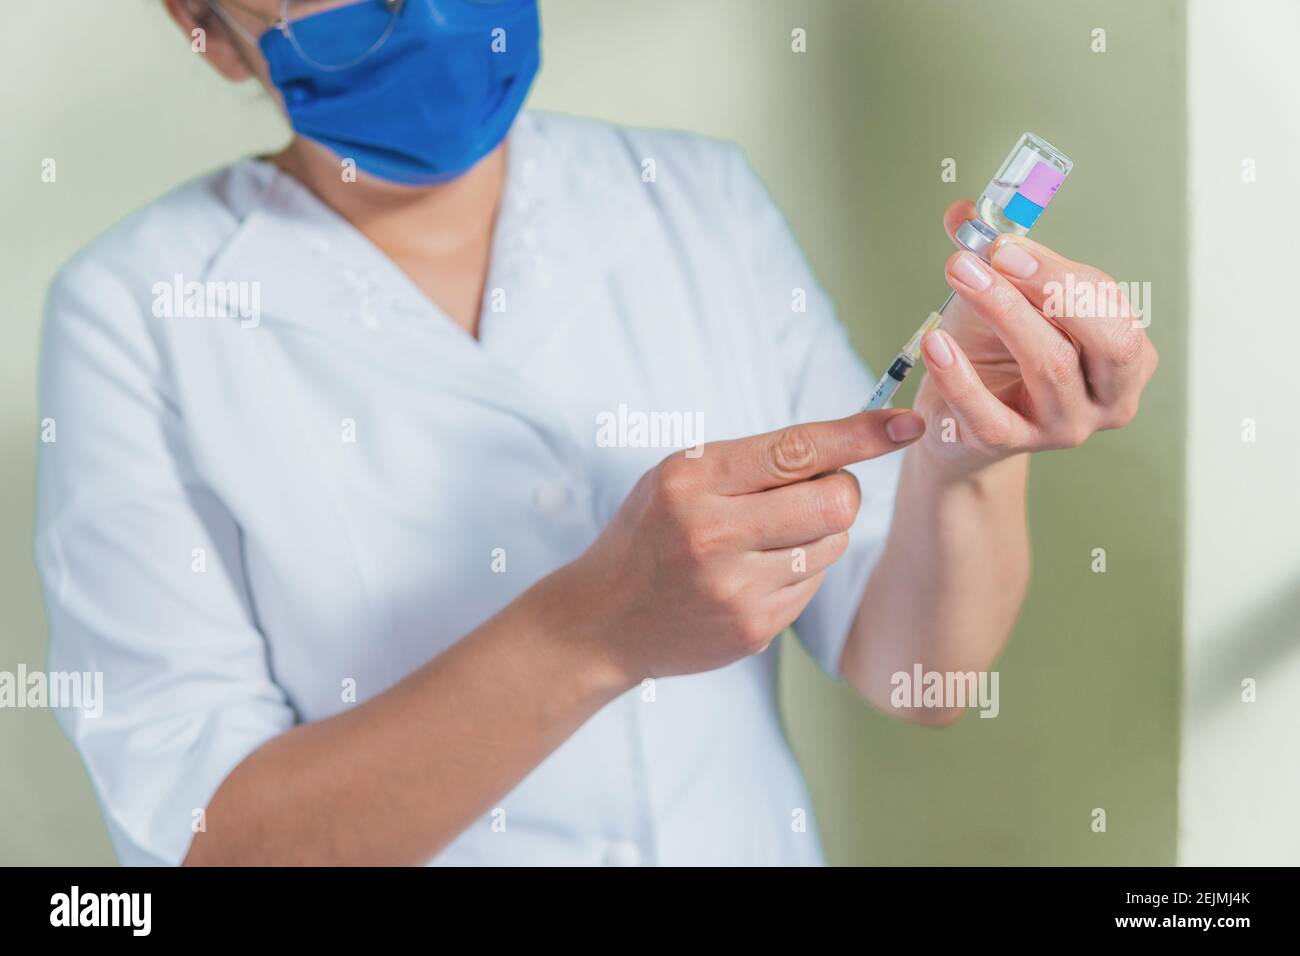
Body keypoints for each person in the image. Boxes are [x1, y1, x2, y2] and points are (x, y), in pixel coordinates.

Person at [36, 0, 1157, 866]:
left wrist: (967, 453)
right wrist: (596, 628)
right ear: (210, 30)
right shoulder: (137, 312)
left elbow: (918, 674)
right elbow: (207, 843)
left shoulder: (698, 199)